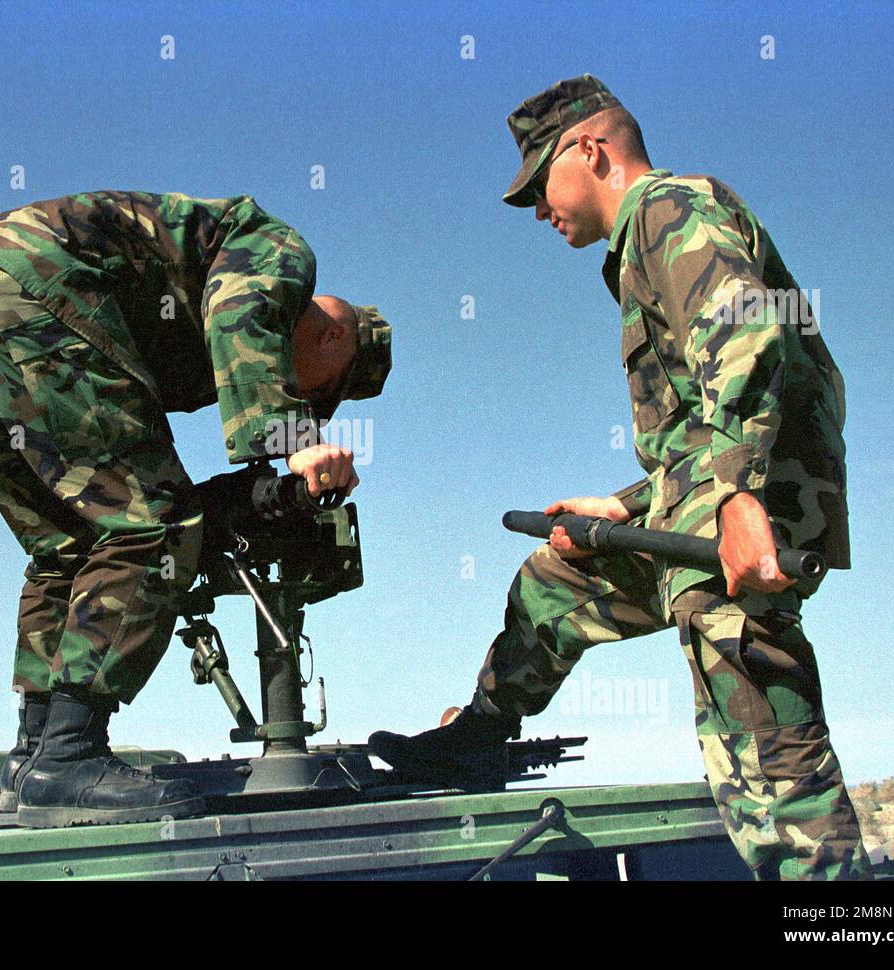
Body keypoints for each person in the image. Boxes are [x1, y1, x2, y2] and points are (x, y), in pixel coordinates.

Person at [369, 76, 868, 880]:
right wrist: (629, 505)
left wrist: (739, 497)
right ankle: (478, 738)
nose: (539, 210)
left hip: (748, 515)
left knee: (762, 742)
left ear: (590, 150)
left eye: (540, 184)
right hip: (707, 502)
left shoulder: (669, 208)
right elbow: (695, 426)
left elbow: (745, 334)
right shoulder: (642, 242)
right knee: (556, 576)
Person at [0, 190, 391, 827]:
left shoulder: (199, 328)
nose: (312, 405)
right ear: (335, 339)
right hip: (37, 280)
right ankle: (70, 756)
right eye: (324, 396)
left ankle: (34, 757)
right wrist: (293, 441)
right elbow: (240, 310)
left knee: (70, 543)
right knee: (155, 522)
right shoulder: (280, 255)